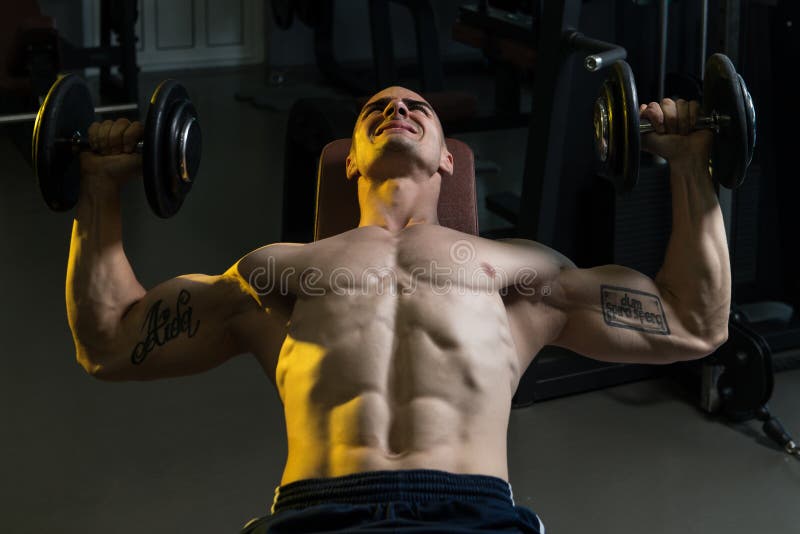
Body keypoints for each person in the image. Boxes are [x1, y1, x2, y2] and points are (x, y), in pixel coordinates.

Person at [68, 86, 730, 533]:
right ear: (351, 162)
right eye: (375, 110)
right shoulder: (278, 271)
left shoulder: (522, 272)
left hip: (472, 515)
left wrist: (692, 168)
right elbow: (109, 341)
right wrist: (98, 189)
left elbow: (694, 322)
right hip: (316, 513)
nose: (396, 109)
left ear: (448, 159)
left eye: (416, 106)